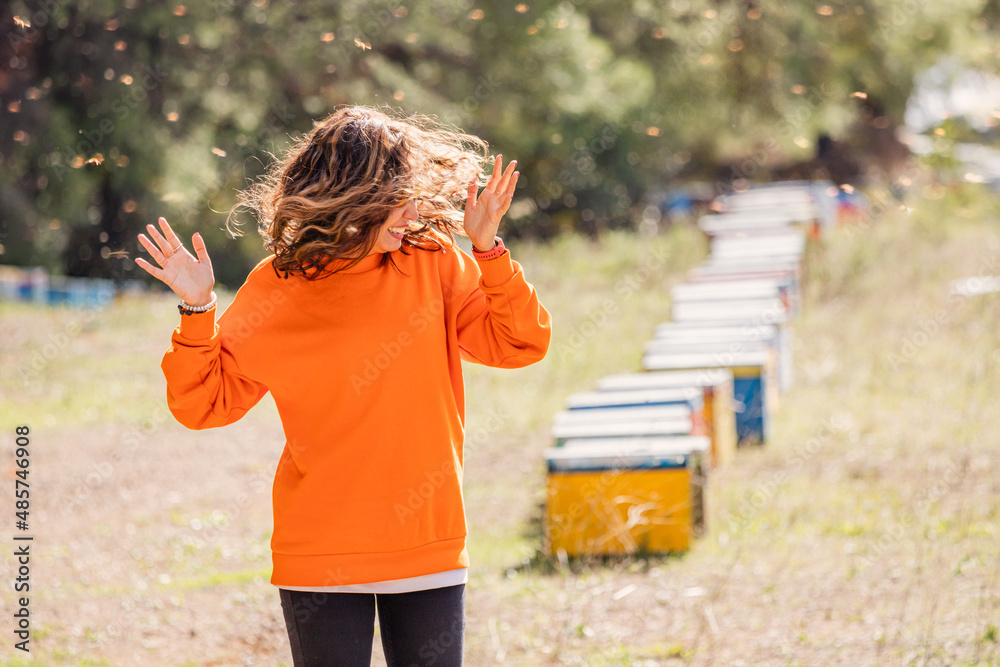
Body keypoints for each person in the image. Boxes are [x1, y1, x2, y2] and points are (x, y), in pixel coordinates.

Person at [135, 106, 551, 666]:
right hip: (321, 553)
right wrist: (197, 308)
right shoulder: (277, 286)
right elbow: (203, 404)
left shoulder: (433, 263)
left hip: (427, 541)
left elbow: (519, 343)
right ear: (359, 196)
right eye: (400, 197)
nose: (413, 213)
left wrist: (489, 251)